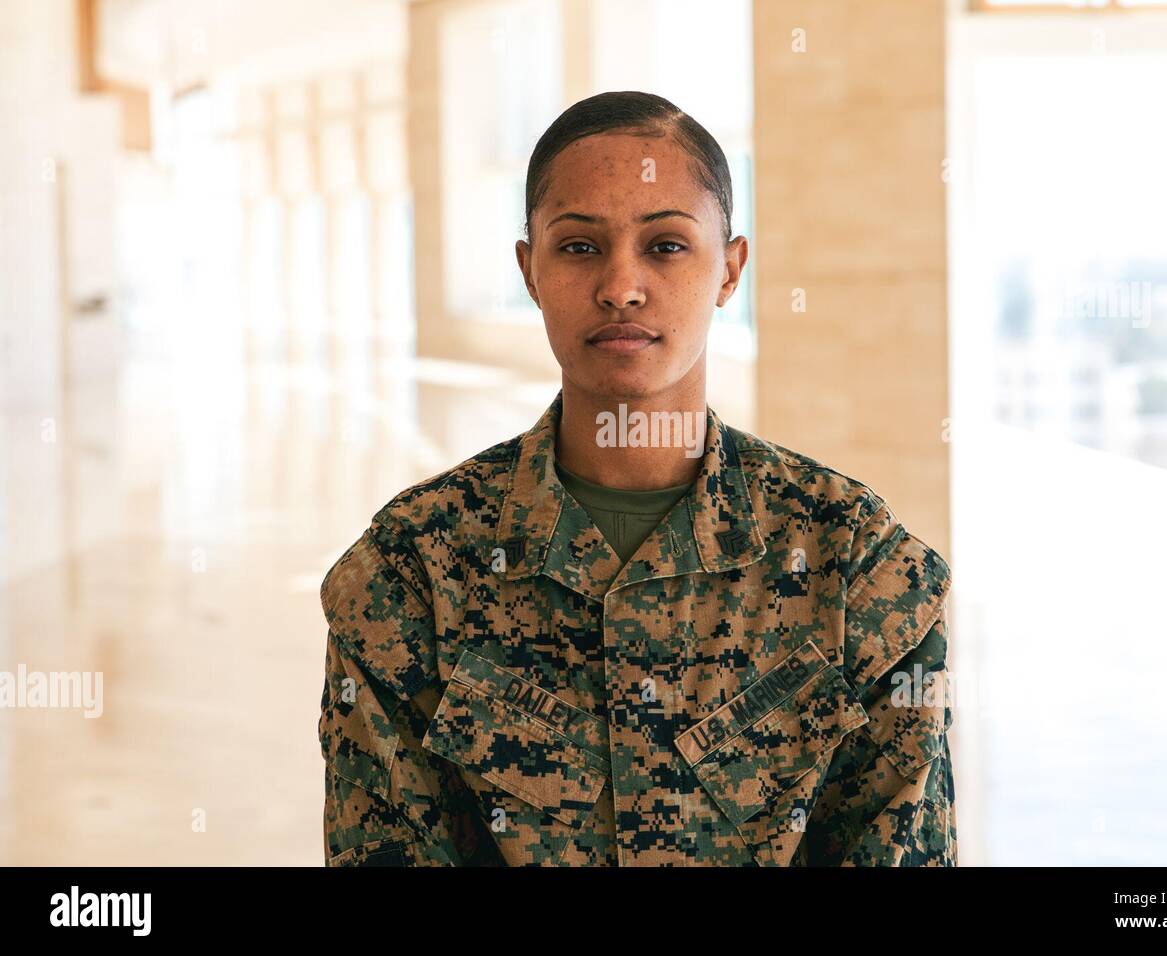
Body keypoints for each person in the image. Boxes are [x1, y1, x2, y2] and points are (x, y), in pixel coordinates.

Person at [317, 90, 957, 866]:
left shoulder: (853, 564)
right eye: (580, 247)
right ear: (530, 270)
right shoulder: (414, 571)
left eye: (666, 246)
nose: (622, 285)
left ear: (730, 269)